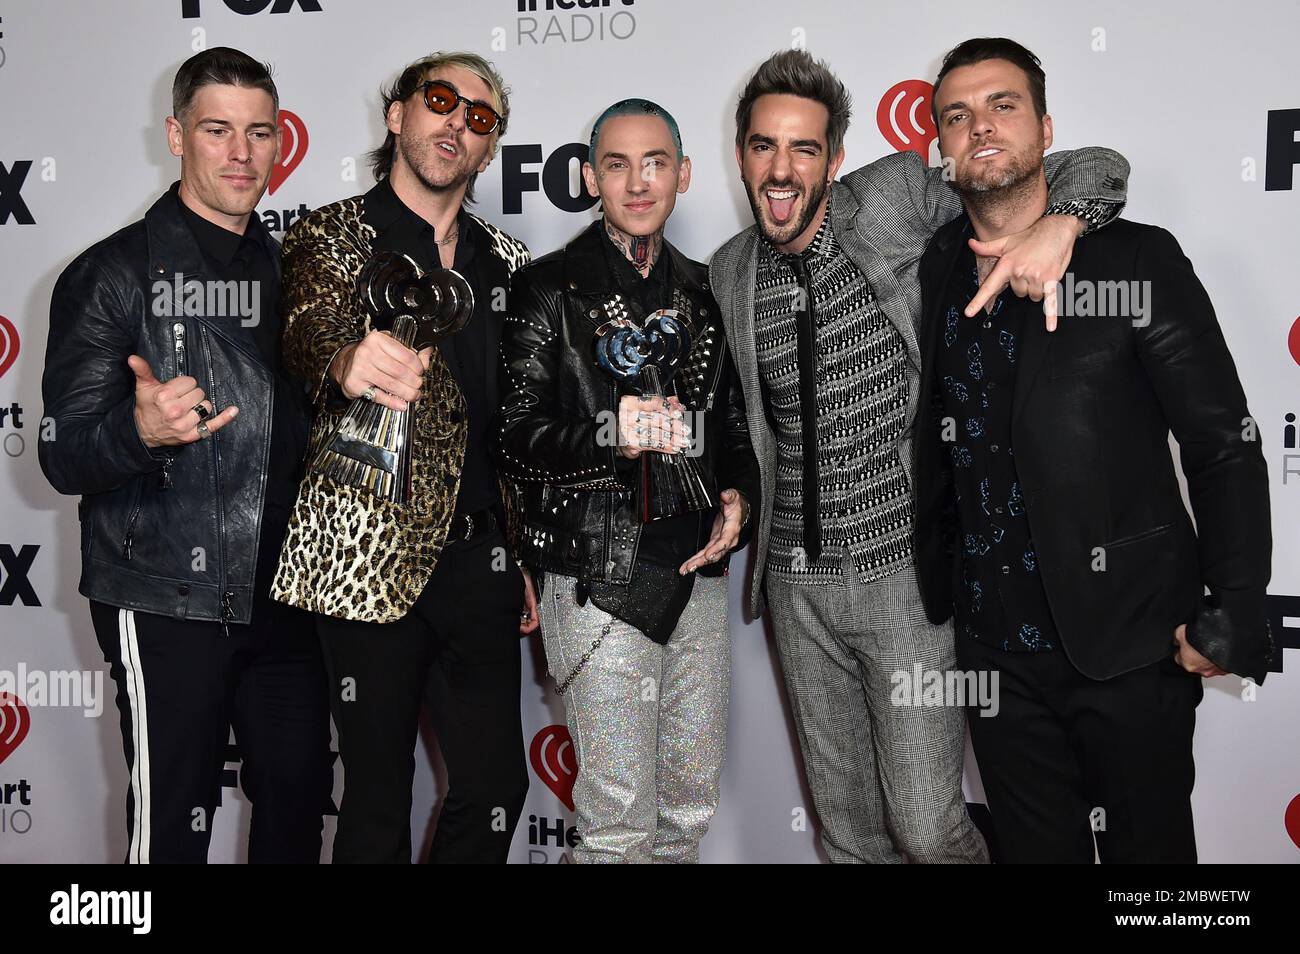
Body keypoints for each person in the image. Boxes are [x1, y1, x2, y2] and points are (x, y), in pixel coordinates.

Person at [710, 48, 1130, 863]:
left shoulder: (894, 197)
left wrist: (1061, 222)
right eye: (765, 146)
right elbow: (741, 423)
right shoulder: (730, 272)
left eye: (805, 147)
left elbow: (1095, 166)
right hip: (797, 592)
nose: (783, 167)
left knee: (929, 828)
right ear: (742, 156)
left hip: (902, 579)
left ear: (834, 157)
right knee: (849, 833)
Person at [913, 37, 1272, 862]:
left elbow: (1222, 443)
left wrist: (1236, 606)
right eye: (957, 116)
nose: (981, 128)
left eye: (1003, 105)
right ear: (941, 147)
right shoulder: (935, 265)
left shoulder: (1135, 259)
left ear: (1045, 128)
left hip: (1132, 642)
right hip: (995, 657)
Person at [39, 47, 331, 863]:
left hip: (289, 597)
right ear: (177, 134)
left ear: (279, 142)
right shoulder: (112, 274)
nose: (241, 153)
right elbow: (60, 453)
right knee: (172, 829)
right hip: (167, 596)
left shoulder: (298, 273)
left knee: (296, 816)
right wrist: (141, 433)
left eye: (259, 133)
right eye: (217, 130)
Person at [270, 52, 534, 864]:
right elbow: (309, 325)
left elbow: (511, 430)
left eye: (479, 117)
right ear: (398, 115)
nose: (458, 121)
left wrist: (517, 551)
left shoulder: (512, 266)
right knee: (377, 801)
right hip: (365, 552)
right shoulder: (331, 233)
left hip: (480, 561)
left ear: (490, 149)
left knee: (496, 790)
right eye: (442, 100)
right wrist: (347, 361)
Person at [498, 99, 759, 862]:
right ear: (590, 178)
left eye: (654, 164)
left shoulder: (711, 290)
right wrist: (615, 436)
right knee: (617, 827)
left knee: (687, 811)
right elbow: (513, 437)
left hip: (697, 577)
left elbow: (735, 431)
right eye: (617, 164)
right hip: (595, 575)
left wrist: (740, 494)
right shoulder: (549, 287)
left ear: (682, 174)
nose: (637, 182)